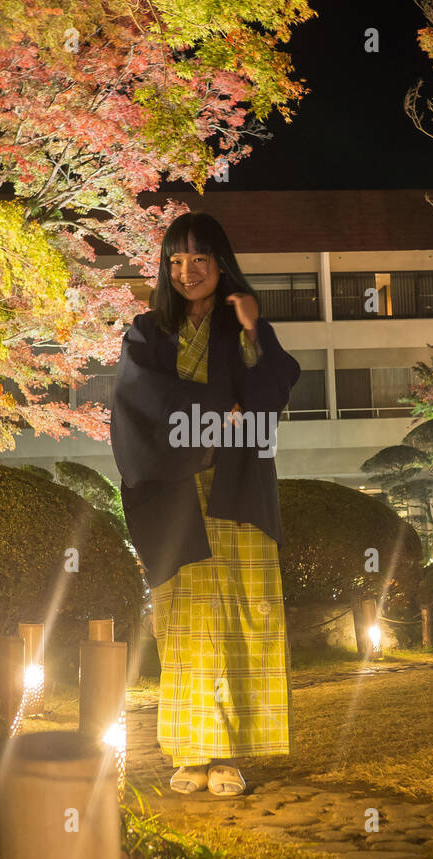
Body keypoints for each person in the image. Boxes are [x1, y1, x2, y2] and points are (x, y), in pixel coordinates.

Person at [111, 211, 301, 796]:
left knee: (246, 618)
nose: (187, 272)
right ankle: (192, 752)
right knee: (185, 626)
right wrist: (221, 413)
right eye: (175, 261)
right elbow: (139, 401)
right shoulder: (147, 333)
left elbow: (272, 395)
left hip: (236, 492)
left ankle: (229, 757)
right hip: (173, 498)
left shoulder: (243, 326)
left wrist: (251, 333)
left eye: (199, 260)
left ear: (222, 264)